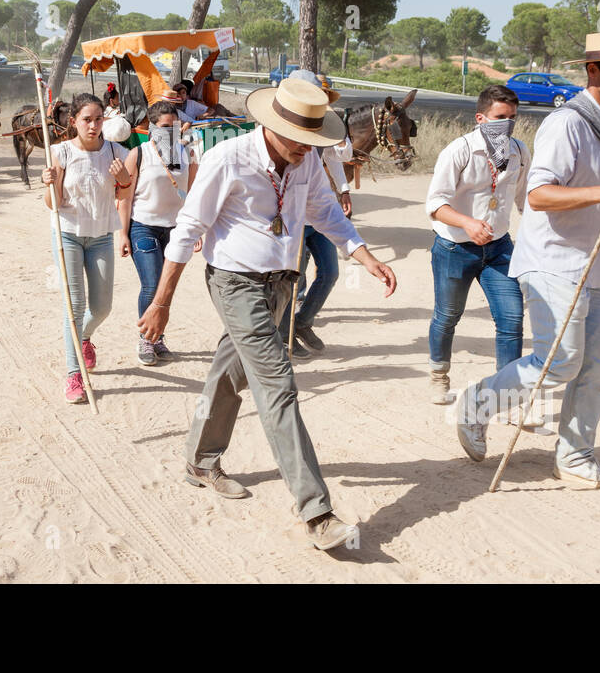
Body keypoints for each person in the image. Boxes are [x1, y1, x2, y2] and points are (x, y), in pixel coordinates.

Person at [137, 78, 397, 552]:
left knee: (229, 372)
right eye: (299, 139)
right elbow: (188, 229)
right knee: (277, 383)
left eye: (314, 140)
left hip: (281, 283)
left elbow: (326, 213)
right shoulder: (228, 159)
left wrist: (365, 255)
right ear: (271, 125)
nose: (306, 148)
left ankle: (199, 459)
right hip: (234, 283)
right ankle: (316, 511)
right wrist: (161, 301)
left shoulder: (308, 161)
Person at [456, 31, 600, 495]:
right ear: (592, 71)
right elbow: (539, 194)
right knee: (559, 362)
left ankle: (575, 458)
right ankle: (477, 402)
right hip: (553, 263)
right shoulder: (567, 124)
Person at [425, 84, 530, 414]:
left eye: (513, 118)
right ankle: (439, 374)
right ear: (481, 118)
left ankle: (507, 395)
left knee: (511, 320)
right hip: (455, 249)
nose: (507, 125)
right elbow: (435, 204)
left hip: (499, 249)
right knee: (447, 317)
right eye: (500, 118)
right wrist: (468, 223)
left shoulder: (519, 152)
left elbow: (527, 200)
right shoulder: (458, 151)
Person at [40, 92, 132, 404]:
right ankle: (74, 374)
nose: (93, 126)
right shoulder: (61, 152)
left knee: (103, 306)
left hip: (101, 236)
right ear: (74, 122)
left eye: (98, 119)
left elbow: (126, 191)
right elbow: (52, 204)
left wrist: (123, 180)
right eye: (86, 120)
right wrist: (49, 183)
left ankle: (84, 337)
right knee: (75, 306)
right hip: (67, 234)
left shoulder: (116, 151)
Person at [276, 70, 353, 356]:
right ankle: (285, 333)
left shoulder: (325, 126)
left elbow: (336, 159)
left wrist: (344, 189)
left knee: (330, 272)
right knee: (291, 279)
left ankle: (304, 322)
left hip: (318, 215)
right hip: (293, 216)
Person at [119, 101, 198, 365]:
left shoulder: (188, 154)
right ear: (151, 127)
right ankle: (146, 339)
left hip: (175, 230)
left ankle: (158, 336)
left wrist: (196, 229)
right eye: (164, 127)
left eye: (175, 126)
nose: (170, 131)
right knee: (152, 285)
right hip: (144, 225)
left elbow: (194, 194)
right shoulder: (139, 154)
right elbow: (125, 198)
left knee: (165, 289)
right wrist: (123, 234)